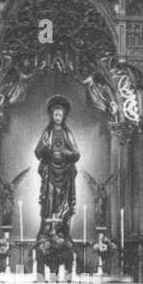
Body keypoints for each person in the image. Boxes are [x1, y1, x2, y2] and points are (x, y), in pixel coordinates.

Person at [35, 96, 80, 244]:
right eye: (56, 114)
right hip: (50, 173)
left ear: (64, 116)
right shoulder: (47, 133)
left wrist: (67, 154)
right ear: (52, 115)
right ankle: (47, 231)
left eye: (60, 115)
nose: (58, 117)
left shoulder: (68, 133)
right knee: (49, 201)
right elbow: (38, 151)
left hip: (65, 174)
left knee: (63, 203)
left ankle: (62, 232)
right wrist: (46, 151)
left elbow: (76, 153)